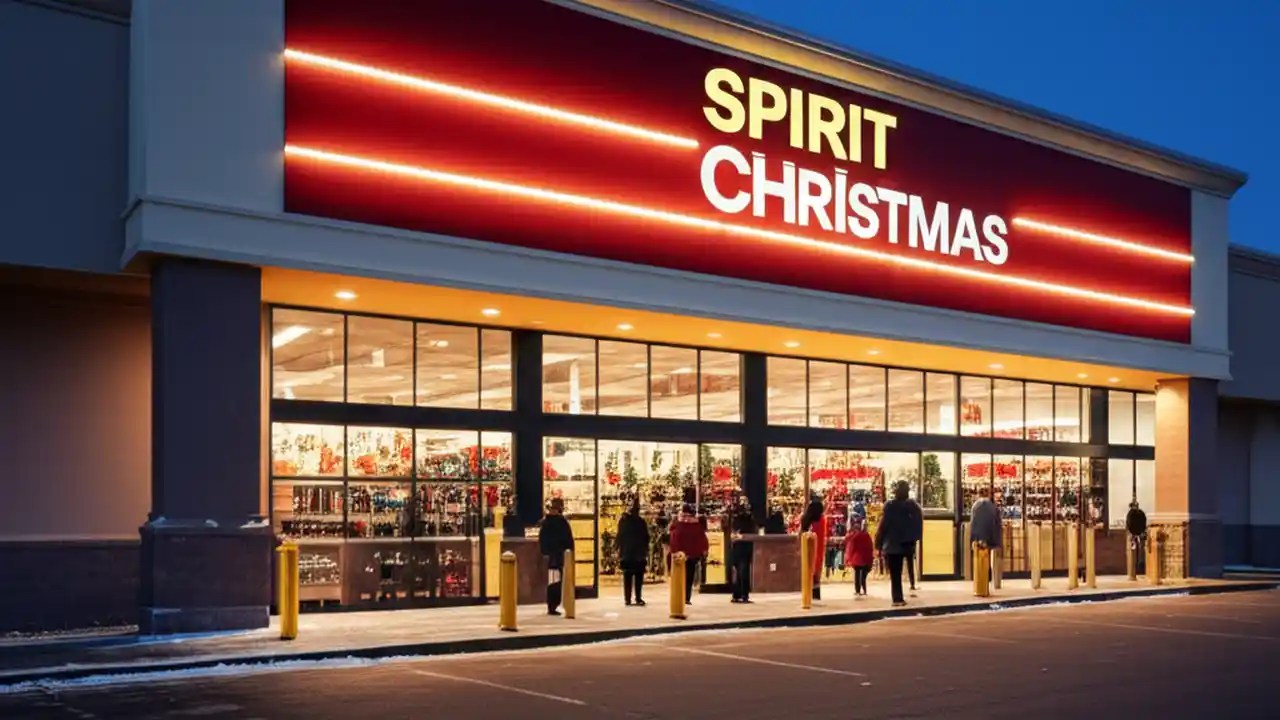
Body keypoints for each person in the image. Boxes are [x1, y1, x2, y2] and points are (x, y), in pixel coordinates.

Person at [875, 481, 916, 607]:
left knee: (895, 573)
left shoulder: (890, 507)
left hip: (892, 544)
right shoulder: (910, 507)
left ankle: (897, 598)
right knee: (904, 568)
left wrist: (878, 544)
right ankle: (903, 592)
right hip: (905, 543)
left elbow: (883, 526)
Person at [538, 497, 575, 616]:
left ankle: (552, 605)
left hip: (553, 556)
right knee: (556, 582)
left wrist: (545, 552)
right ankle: (553, 605)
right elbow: (568, 539)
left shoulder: (546, 522)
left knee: (554, 581)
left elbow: (542, 540)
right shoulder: (561, 522)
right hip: (558, 556)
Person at [668, 503, 708, 604]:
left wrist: (673, 551)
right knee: (689, 577)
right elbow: (702, 538)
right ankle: (687, 597)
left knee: (679, 577)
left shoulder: (677, 524)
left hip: (679, 555)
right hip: (693, 554)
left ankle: (679, 596)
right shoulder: (696, 524)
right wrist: (703, 550)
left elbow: (673, 538)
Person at [616, 496, 650, 607]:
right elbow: (646, 538)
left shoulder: (623, 522)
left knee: (627, 577)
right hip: (639, 554)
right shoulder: (641, 522)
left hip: (626, 554)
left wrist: (619, 549)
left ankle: (627, 599)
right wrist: (645, 550)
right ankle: (638, 598)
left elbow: (619, 537)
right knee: (639, 578)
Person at [728, 496, 758, 603]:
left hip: (738, 545)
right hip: (745, 545)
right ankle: (743, 595)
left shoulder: (735, 517)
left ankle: (737, 594)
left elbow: (733, 530)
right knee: (744, 571)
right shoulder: (749, 518)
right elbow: (754, 529)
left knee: (739, 571)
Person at [970, 486, 1001, 585]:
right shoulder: (993, 506)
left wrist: (973, 538)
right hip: (991, 536)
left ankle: (980, 580)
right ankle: (990, 579)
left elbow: (973, 523)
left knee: (980, 560)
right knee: (990, 559)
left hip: (979, 537)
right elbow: (997, 523)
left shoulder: (975, 506)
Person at [800, 498, 827, 600]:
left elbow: (801, 534)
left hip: (807, 548)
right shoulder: (822, 520)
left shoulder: (805, 520)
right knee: (816, 574)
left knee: (808, 572)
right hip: (819, 548)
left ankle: (807, 595)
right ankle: (816, 595)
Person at [843, 515, 874, 599]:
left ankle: (858, 590)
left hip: (856, 559)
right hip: (863, 559)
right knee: (862, 576)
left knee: (857, 575)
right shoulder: (866, 536)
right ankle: (863, 590)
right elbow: (870, 547)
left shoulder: (854, 536)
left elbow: (850, 546)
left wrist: (848, 558)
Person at [905, 491, 923, 595]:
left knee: (898, 562)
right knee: (910, 561)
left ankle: (902, 583)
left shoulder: (901, 507)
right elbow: (919, 523)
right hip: (910, 539)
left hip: (901, 538)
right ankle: (912, 583)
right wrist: (917, 537)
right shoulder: (916, 509)